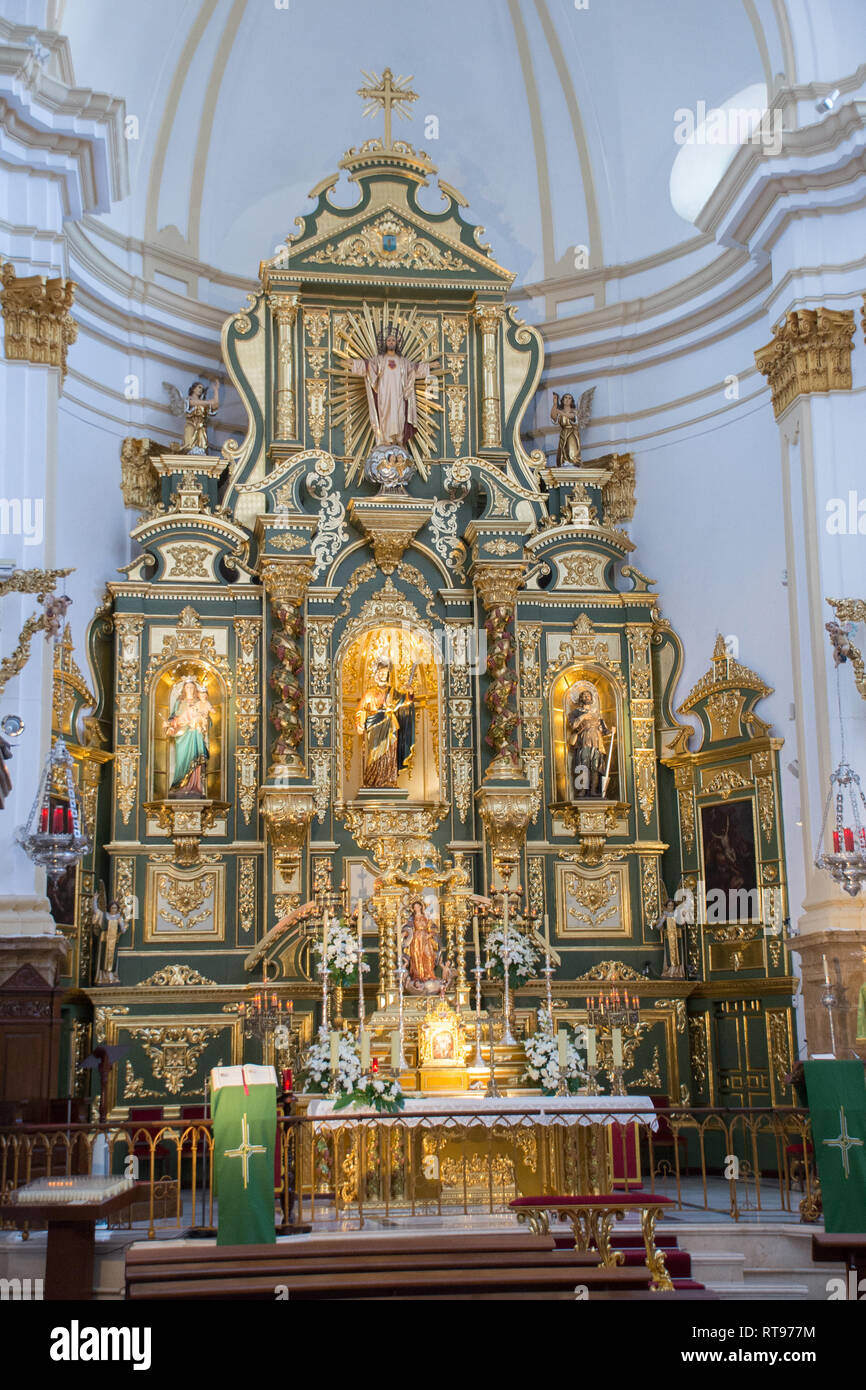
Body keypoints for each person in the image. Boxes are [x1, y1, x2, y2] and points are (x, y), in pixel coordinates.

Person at [351, 326, 437, 446]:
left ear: (397, 343)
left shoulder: (402, 361)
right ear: (385, 343)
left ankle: (399, 440)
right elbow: (368, 367)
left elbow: (414, 369)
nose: (391, 342)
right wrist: (354, 363)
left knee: (399, 414)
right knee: (385, 415)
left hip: (398, 394)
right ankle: (385, 440)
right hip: (384, 394)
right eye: (389, 340)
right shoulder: (379, 360)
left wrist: (429, 366)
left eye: (393, 340)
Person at [354, 655, 415, 788]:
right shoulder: (370, 693)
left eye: (385, 673)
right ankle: (372, 780)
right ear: (376, 675)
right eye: (380, 673)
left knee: (390, 753)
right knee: (374, 754)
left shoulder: (392, 692)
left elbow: (405, 701)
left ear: (388, 675)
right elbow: (361, 709)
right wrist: (360, 724)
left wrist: (410, 693)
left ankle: (388, 779)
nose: (383, 676)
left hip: (390, 726)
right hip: (374, 726)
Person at [164, 678, 214, 798]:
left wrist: (203, 720)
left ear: (195, 690)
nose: (190, 689)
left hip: (195, 734)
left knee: (195, 758)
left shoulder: (200, 702)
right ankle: (180, 785)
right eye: (187, 687)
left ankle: (196, 786)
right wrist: (170, 725)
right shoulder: (179, 703)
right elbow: (172, 719)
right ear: (184, 689)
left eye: (192, 687)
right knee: (182, 760)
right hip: (182, 736)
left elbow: (209, 721)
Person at [567, 689, 610, 798]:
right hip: (584, 742)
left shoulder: (597, 715)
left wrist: (611, 731)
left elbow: (604, 730)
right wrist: (583, 717)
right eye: (584, 696)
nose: (587, 698)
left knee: (595, 766)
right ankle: (581, 790)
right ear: (581, 699)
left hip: (596, 743)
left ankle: (593, 790)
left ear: (591, 699)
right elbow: (573, 725)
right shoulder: (575, 713)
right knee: (583, 765)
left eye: (588, 696)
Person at [182, 379, 219, 454]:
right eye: (199, 387)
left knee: (202, 447)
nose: (201, 390)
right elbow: (193, 403)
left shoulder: (204, 403)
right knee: (189, 447)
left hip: (201, 427)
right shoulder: (188, 399)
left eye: (202, 388)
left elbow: (215, 404)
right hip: (191, 426)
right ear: (193, 389)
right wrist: (208, 402)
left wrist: (216, 390)